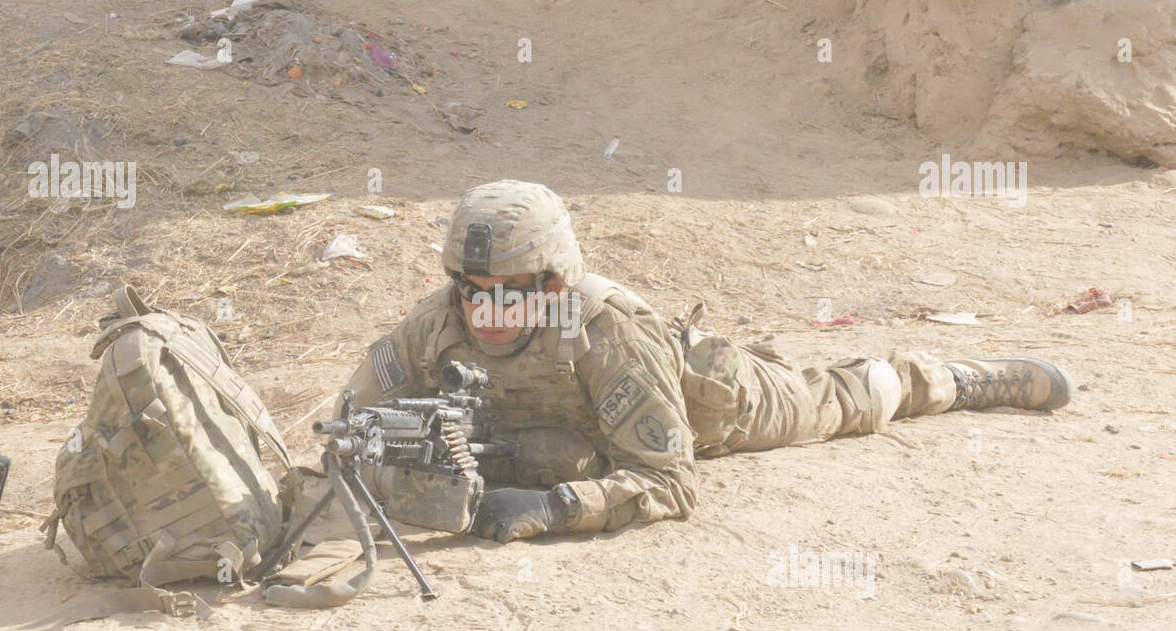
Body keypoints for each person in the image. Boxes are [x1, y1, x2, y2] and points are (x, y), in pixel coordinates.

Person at [336, 180, 1073, 543]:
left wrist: (554, 507)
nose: (482, 311)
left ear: (554, 283)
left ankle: (950, 380)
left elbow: (672, 479)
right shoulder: (434, 324)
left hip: (706, 400)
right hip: (580, 436)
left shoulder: (604, 333)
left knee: (837, 400)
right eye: (470, 291)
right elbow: (349, 419)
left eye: (506, 294)